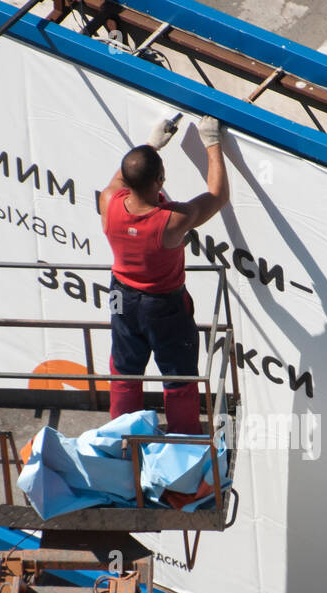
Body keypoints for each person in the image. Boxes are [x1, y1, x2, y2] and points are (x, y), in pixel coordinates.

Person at [98, 114, 229, 435]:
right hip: (163, 307)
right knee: (179, 377)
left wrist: (151, 144)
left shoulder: (108, 202)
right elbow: (217, 196)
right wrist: (212, 142)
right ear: (160, 181)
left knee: (125, 372)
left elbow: (122, 177)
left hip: (120, 297)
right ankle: (184, 442)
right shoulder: (172, 220)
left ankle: (123, 439)